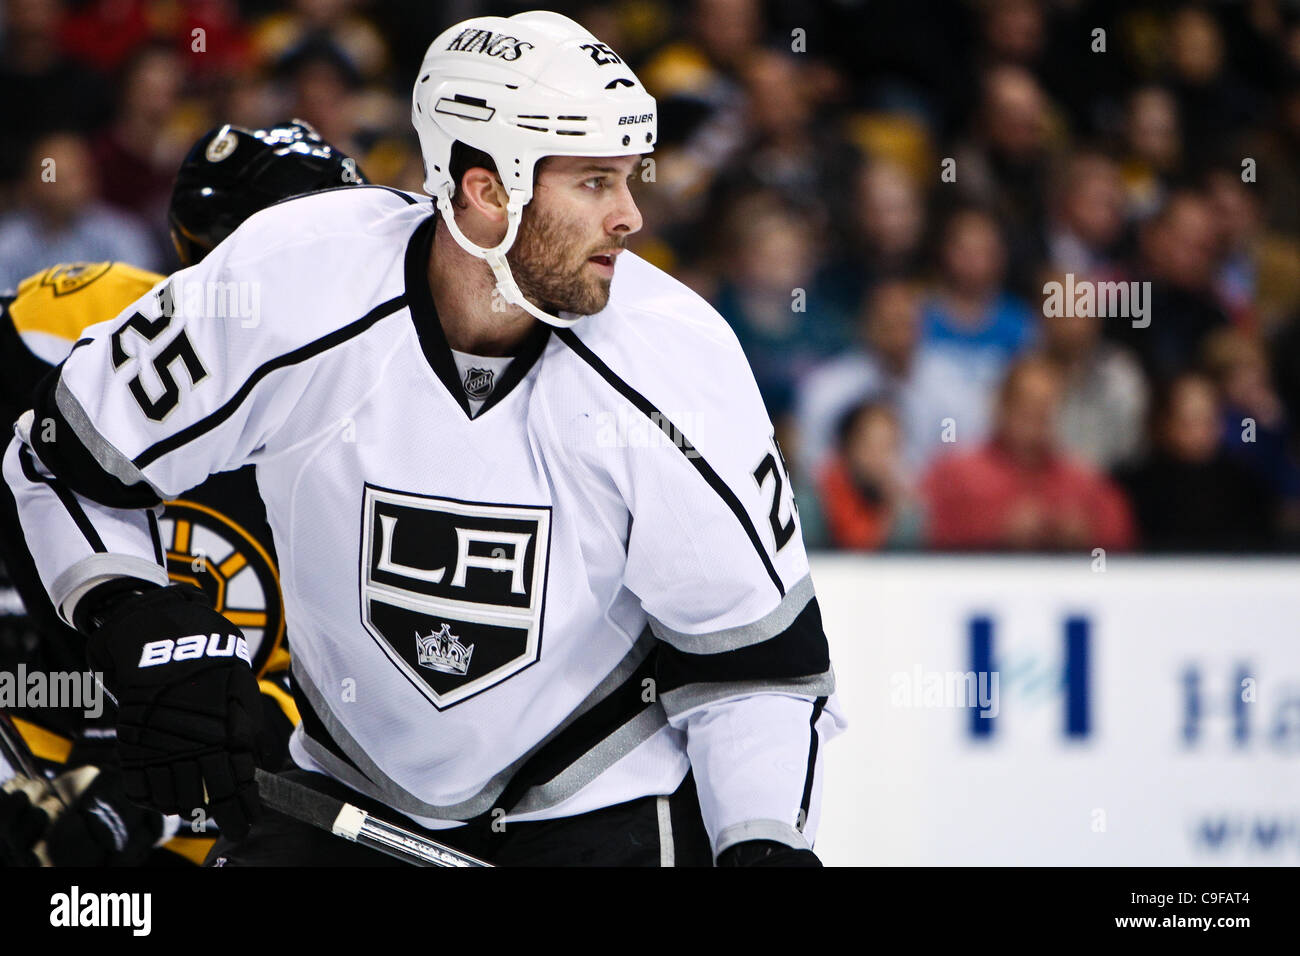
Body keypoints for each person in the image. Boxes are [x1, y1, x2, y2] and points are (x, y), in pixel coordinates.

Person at [4, 11, 843, 867]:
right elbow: (60, 462)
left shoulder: (677, 364)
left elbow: (760, 669)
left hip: (602, 815)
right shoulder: (291, 280)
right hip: (340, 792)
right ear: (486, 190)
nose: (630, 216)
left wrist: (763, 843)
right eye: (594, 181)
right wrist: (132, 616)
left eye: (629, 178)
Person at [0, 119, 367, 866]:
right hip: (52, 703)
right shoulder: (84, 321)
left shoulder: (387, 406)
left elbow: (355, 691)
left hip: (242, 753)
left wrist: (159, 797)